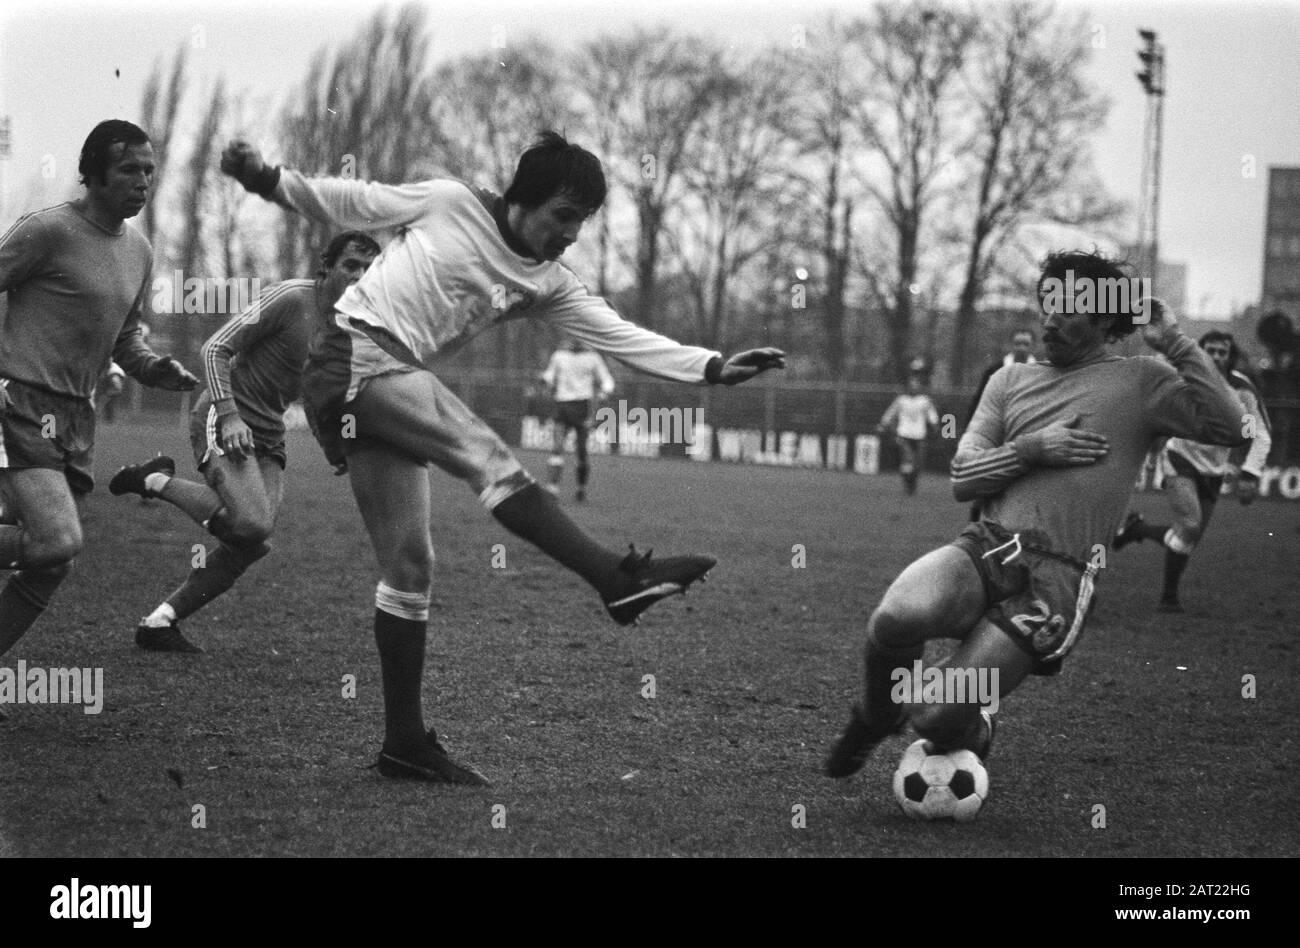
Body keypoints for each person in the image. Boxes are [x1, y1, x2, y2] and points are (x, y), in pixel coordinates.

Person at [219, 130, 785, 785]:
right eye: (563, 215)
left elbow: (622, 337)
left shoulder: (547, 281)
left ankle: (404, 743)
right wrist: (266, 179)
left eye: (583, 221)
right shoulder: (449, 202)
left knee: (409, 566)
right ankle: (615, 579)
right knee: (487, 455)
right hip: (354, 354)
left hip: (381, 382)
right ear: (523, 199)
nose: (572, 233)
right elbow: (351, 199)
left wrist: (712, 367)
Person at [824, 250, 1247, 780]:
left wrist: (1176, 342)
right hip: (991, 545)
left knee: (933, 716)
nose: (1050, 319)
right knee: (895, 616)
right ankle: (877, 714)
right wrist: (1031, 449)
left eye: (1068, 308)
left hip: (1059, 579)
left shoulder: (1143, 381)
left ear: (1103, 319)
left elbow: (1233, 429)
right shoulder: (1009, 382)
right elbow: (963, 478)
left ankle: (976, 731)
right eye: (1047, 304)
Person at [107, 231, 381, 652]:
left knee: (253, 541)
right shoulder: (290, 299)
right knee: (252, 524)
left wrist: (333, 447)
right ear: (327, 267)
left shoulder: (350, 326)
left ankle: (160, 622)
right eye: (351, 265)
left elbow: (313, 390)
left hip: (269, 433)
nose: (360, 276)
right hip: (224, 414)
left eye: (369, 269)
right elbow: (215, 346)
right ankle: (155, 483)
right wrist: (231, 415)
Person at [0, 119, 198, 666]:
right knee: (59, 541)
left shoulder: (139, 251)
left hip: (77, 416)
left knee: (49, 561)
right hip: (19, 403)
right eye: (129, 169)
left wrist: (153, 369)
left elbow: (126, 338)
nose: (143, 181)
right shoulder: (48, 231)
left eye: (150, 170)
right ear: (94, 173)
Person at [1112, 331, 1271, 612]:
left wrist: (1251, 473)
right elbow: (1153, 411)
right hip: (1180, 457)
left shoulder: (1241, 388)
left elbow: (1259, 432)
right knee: (1189, 525)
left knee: (1189, 537)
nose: (1217, 356)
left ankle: (1138, 529)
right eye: (1211, 350)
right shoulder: (1184, 379)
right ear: (1201, 352)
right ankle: (1168, 598)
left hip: (1215, 468)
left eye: (1223, 351)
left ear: (1230, 355)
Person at [965, 329, 1037, 520]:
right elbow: (978, 401)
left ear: (1032, 346)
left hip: (1025, 432)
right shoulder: (995, 369)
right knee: (987, 476)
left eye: (1026, 343)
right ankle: (976, 519)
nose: (1021, 347)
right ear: (1012, 345)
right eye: (1018, 342)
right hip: (996, 431)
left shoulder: (1041, 371)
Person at [541, 338, 615, 501]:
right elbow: (549, 375)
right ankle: (552, 489)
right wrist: (545, 381)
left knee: (581, 451)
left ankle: (581, 488)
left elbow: (607, 379)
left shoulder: (593, 357)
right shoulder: (559, 356)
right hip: (562, 405)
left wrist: (606, 391)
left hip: (583, 407)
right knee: (557, 446)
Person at [878, 370, 939, 495]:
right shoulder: (901, 400)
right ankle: (907, 485)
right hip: (904, 434)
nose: (914, 387)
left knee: (918, 463)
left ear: (920, 386)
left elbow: (932, 415)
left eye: (916, 384)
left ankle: (912, 483)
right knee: (908, 457)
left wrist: (936, 425)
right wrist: (883, 424)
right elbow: (891, 413)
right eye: (911, 384)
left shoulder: (924, 400)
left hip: (919, 435)